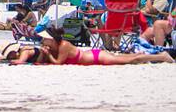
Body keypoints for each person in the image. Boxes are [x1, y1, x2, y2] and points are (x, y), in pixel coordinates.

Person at [39, 27, 173, 65]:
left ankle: (162, 56)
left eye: (45, 39)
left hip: (98, 57)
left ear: (51, 39)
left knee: (132, 59)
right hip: (95, 55)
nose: (43, 41)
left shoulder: (63, 45)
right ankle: (158, 56)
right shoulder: (55, 46)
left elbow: (58, 63)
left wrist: (48, 54)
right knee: (130, 57)